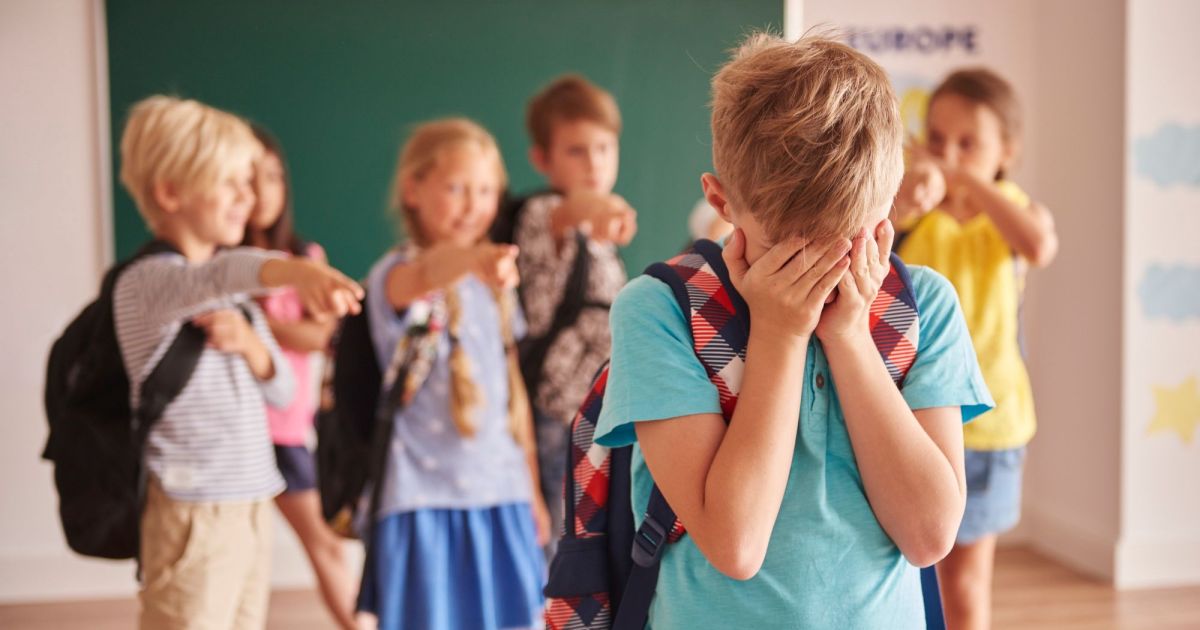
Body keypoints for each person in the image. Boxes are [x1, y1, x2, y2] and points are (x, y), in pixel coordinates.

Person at [591, 34, 994, 628]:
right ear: (721, 201)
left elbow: (930, 535)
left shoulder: (925, 305)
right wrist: (779, 336)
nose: (825, 273)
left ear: (890, 205)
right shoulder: (658, 312)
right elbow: (736, 544)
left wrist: (851, 338)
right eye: (793, 249)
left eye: (849, 243)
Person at [113, 95, 361, 629]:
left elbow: (283, 394)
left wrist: (252, 346)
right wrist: (296, 273)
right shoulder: (149, 283)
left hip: (249, 501)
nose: (247, 197)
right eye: (231, 182)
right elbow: (215, 277)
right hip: (191, 509)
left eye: (251, 183)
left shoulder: (237, 298)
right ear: (170, 192)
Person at [356, 118, 547, 630]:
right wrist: (474, 259)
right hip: (423, 499)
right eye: (457, 187)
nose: (474, 203)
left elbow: (513, 393)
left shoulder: (492, 287)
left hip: (500, 493)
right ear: (412, 189)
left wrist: (531, 491)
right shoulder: (395, 275)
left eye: (486, 190)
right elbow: (426, 275)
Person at [893, 67, 1058, 630]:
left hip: (989, 424)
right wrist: (906, 198)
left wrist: (970, 182)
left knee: (964, 586)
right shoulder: (912, 214)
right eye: (937, 139)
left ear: (1005, 151)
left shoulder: (1014, 211)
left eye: (969, 143)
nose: (949, 154)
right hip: (910, 421)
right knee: (910, 580)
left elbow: (1038, 244)